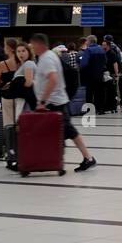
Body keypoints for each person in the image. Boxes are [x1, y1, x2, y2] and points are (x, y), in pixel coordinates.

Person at [29, 33, 95, 172]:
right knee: (63, 131)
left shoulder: (47, 58)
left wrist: (42, 101)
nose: (32, 48)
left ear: (39, 44)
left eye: (33, 45)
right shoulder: (49, 56)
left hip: (54, 103)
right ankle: (57, 160)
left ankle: (86, 158)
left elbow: (52, 79)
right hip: (55, 101)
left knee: (68, 131)